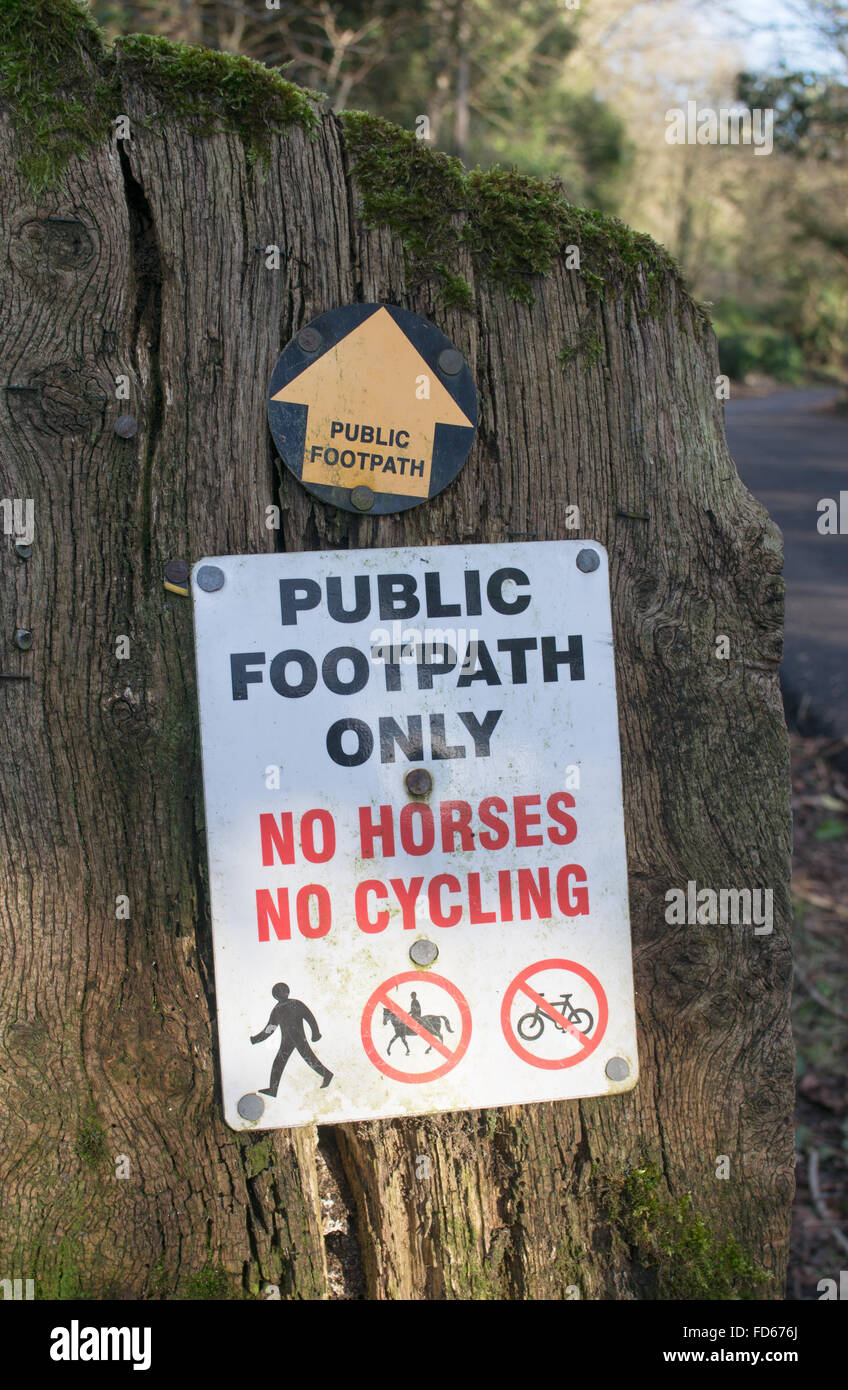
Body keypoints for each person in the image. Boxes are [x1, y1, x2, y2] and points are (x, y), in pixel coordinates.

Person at [250, 982, 333, 1095]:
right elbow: (270, 1029)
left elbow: (270, 1029)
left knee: (308, 1059)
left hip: (297, 1038)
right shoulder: (287, 1006)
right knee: (281, 1062)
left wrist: (316, 1033)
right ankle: (273, 1090)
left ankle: (327, 1075)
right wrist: (315, 1033)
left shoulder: (285, 1007)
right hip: (289, 1040)